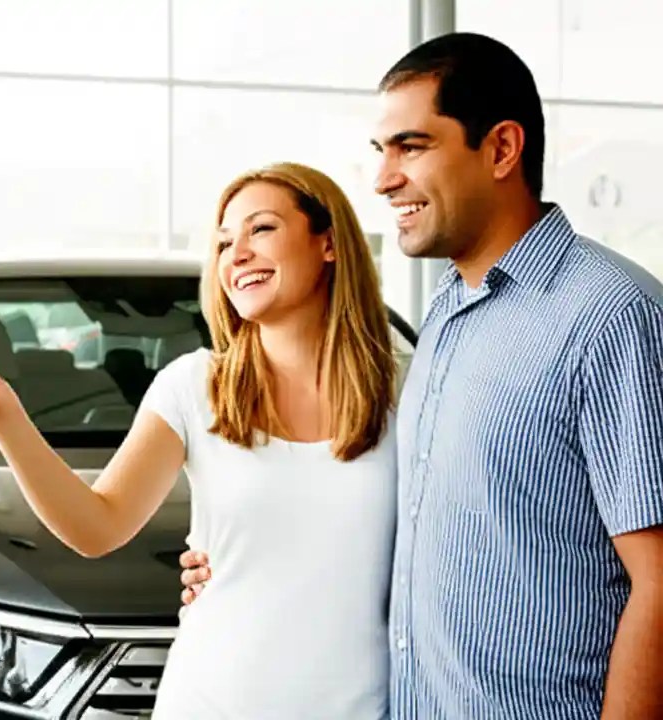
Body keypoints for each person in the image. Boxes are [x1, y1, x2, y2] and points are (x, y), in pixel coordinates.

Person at [182, 32, 663, 719]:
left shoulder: (610, 316)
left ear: (501, 149)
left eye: (412, 147)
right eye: (382, 152)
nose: (382, 179)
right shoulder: (444, 312)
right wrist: (233, 569)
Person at [0, 161, 400, 718]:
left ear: (329, 244)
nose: (237, 254)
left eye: (261, 229)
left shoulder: (406, 393)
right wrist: (5, 416)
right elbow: (96, 526)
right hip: (211, 700)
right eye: (224, 242)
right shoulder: (193, 386)